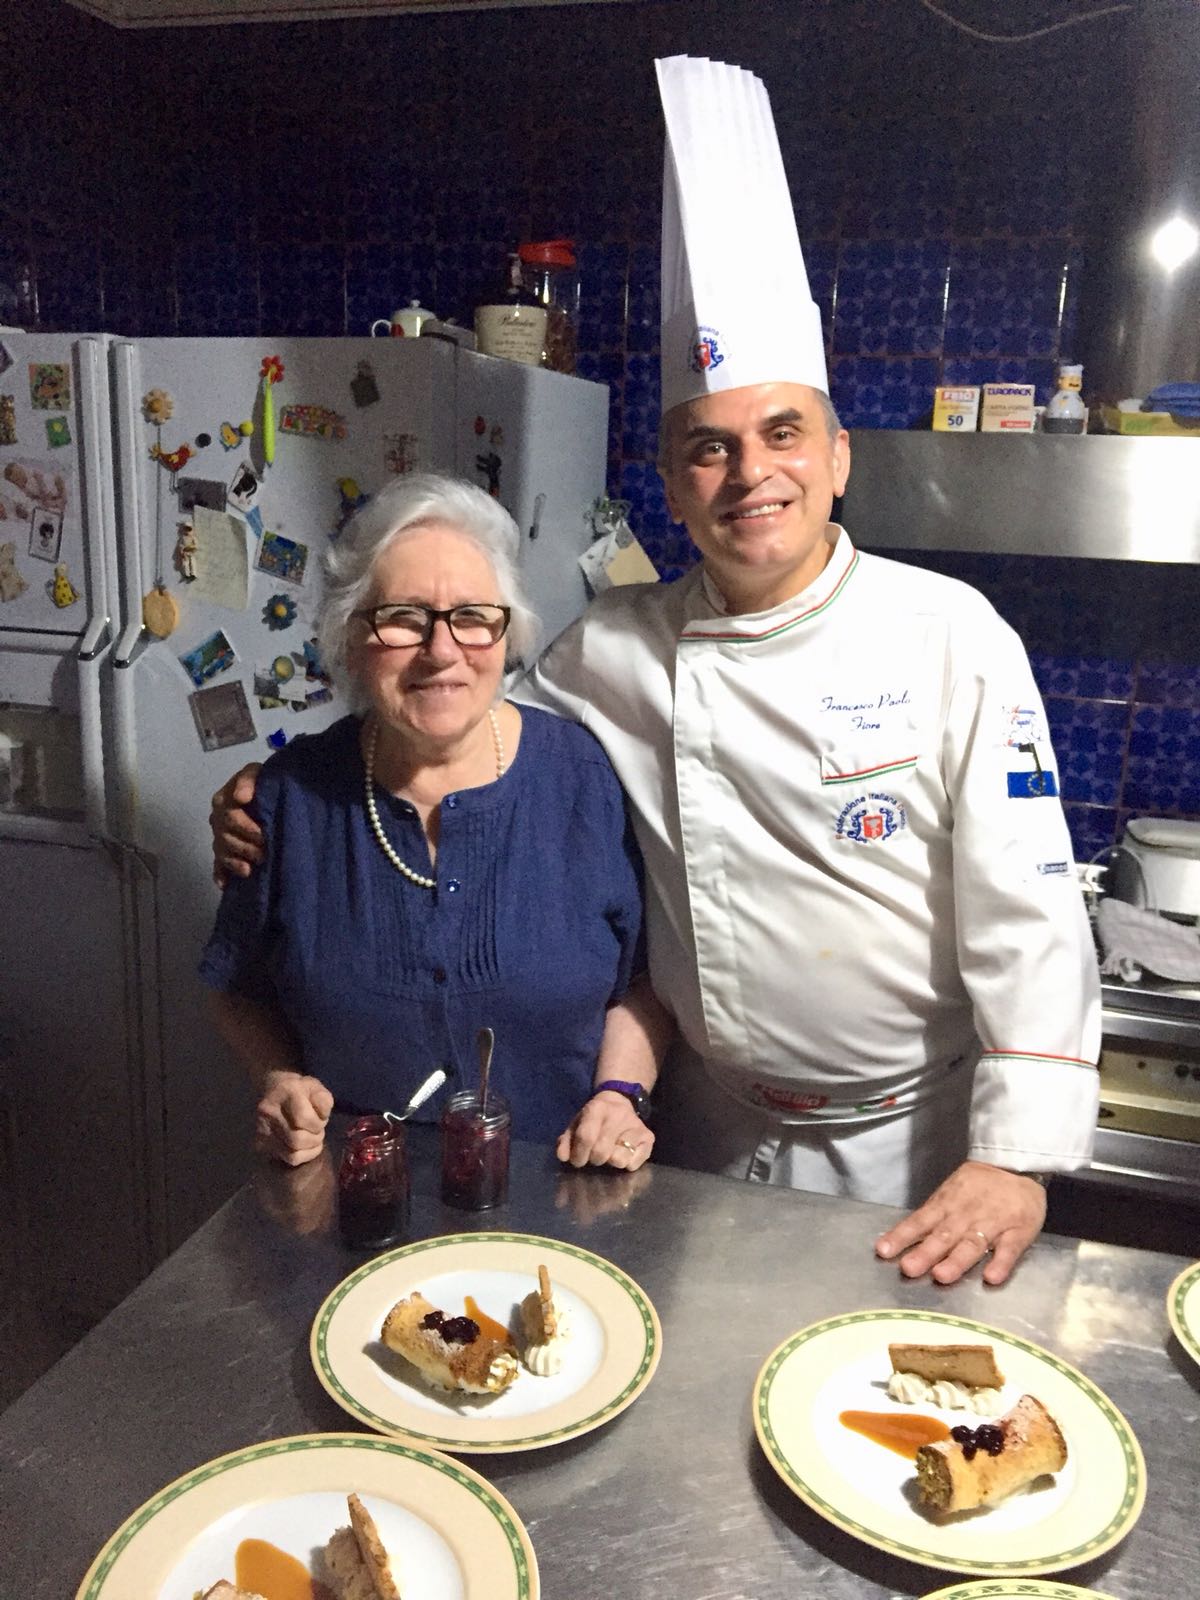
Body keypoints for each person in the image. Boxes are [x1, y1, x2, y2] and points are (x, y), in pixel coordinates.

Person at [210, 56, 1100, 1288]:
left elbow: (1032, 908)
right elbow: (443, 696)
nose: (751, 474)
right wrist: (272, 788)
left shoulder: (953, 634)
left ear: (839, 456)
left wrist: (1016, 1154)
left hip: (911, 1141)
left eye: (783, 434)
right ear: (674, 481)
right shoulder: (610, 647)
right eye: (709, 448)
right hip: (699, 1125)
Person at [200, 473, 666, 1172]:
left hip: (567, 1187)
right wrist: (279, 1079)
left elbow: (647, 980)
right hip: (362, 1195)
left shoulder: (585, 779)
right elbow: (236, 988)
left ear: (507, 632)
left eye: (473, 616)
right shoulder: (290, 799)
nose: (442, 650)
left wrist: (620, 1094)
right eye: (403, 617)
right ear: (351, 635)